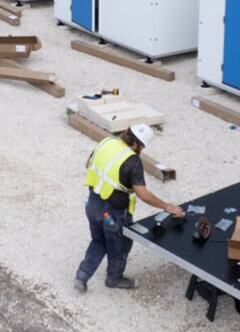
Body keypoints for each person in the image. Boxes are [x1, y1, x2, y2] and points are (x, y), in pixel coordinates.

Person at [74, 124, 185, 292]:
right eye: (142, 147)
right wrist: (167, 206)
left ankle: (82, 276)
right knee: (120, 243)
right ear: (137, 144)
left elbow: (88, 163)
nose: (141, 150)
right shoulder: (132, 161)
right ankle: (114, 278)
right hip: (113, 212)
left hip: (93, 204)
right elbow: (143, 194)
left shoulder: (106, 142)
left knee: (99, 240)